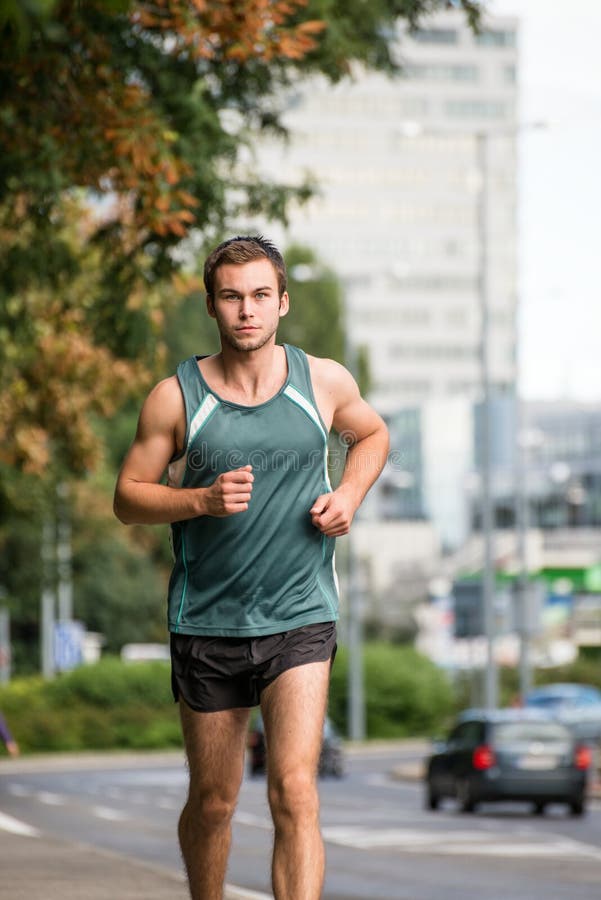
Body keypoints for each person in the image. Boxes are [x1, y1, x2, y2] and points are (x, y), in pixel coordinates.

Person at [113, 235, 389, 900]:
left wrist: (348, 494)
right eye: (232, 296)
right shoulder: (175, 397)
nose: (247, 310)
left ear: (282, 302)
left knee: (295, 789)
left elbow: (370, 435)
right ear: (212, 305)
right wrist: (198, 500)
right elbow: (127, 498)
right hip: (208, 620)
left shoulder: (322, 382)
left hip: (300, 615)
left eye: (260, 295)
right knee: (214, 801)